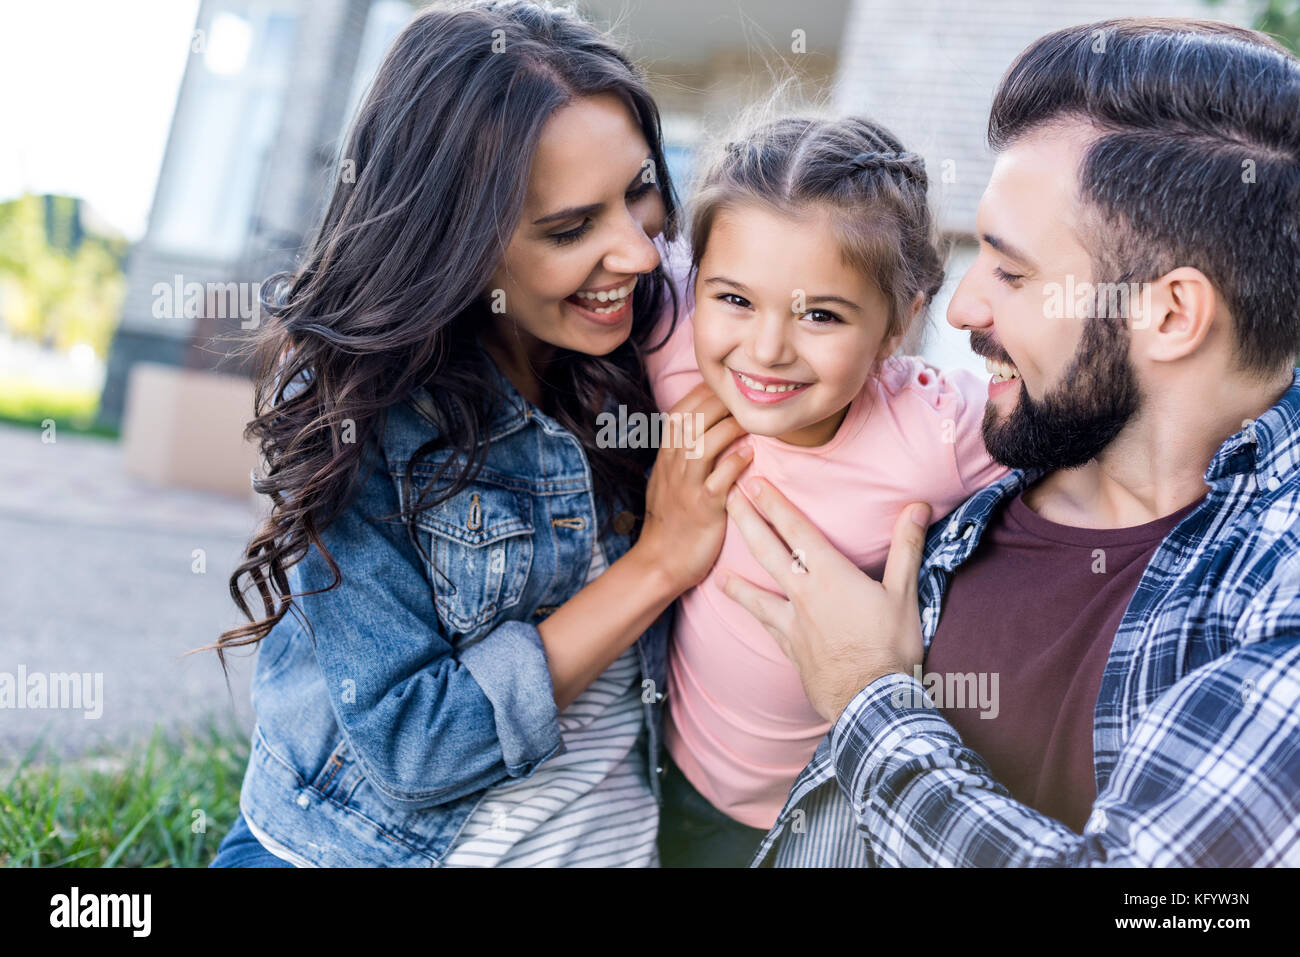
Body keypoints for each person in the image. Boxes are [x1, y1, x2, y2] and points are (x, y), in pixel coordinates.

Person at [721, 17, 1300, 867]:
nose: (960, 311)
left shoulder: (1278, 587)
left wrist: (868, 699)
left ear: (1170, 314)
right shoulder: (959, 508)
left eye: (1013, 272)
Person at [205, 0, 749, 868]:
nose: (642, 254)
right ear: (455, 239)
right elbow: (415, 745)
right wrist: (657, 564)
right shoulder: (367, 406)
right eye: (572, 228)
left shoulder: (663, 327)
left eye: (641, 188)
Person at [645, 115, 1007, 867]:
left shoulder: (936, 432)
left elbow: (1081, 422)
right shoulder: (675, 340)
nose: (767, 348)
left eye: (820, 315)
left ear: (898, 325)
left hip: (814, 820)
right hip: (658, 765)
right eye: (736, 299)